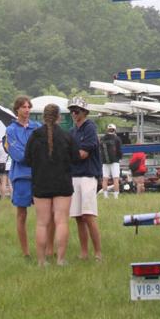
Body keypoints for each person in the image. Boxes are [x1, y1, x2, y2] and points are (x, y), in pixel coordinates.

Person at [25, 104, 78, 266]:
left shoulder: (34, 136)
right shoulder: (67, 136)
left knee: (42, 222)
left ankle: (41, 261)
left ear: (43, 117)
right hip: (62, 183)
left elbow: (27, 160)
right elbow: (75, 158)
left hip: (41, 183)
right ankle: (61, 259)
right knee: (61, 221)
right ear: (59, 117)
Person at [5, 96, 41, 257]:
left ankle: (46, 249)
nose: (26, 110)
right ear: (17, 109)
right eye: (23, 107)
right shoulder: (11, 130)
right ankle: (26, 252)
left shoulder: (37, 127)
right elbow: (17, 154)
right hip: (21, 176)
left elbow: (44, 149)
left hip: (39, 176)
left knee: (45, 213)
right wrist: (33, 155)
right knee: (21, 214)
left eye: (28, 107)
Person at [68, 97, 103, 261]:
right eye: (72, 110)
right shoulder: (72, 131)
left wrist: (69, 155)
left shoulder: (90, 128)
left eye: (77, 110)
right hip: (74, 176)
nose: (74, 113)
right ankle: (83, 253)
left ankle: (98, 253)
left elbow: (83, 154)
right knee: (78, 217)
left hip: (88, 175)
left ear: (85, 112)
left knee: (88, 215)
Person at [99, 123, 123, 199]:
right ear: (114, 130)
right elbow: (119, 150)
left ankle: (105, 196)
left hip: (105, 161)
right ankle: (116, 196)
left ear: (107, 130)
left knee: (105, 179)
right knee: (115, 179)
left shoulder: (102, 138)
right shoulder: (117, 139)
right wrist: (119, 157)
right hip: (115, 161)